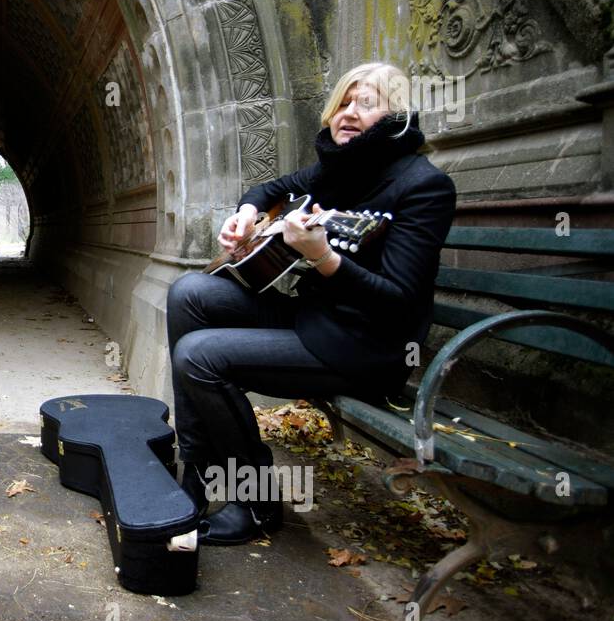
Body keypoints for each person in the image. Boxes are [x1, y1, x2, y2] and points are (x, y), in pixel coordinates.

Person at [166, 61, 457, 545]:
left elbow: (400, 303)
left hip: (363, 348)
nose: (348, 113)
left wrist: (322, 257)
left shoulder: (423, 187)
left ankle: (255, 503)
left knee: (199, 355)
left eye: (366, 103)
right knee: (189, 292)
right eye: (343, 102)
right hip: (312, 320)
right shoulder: (336, 170)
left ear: (398, 115)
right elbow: (268, 190)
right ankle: (198, 468)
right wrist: (245, 216)